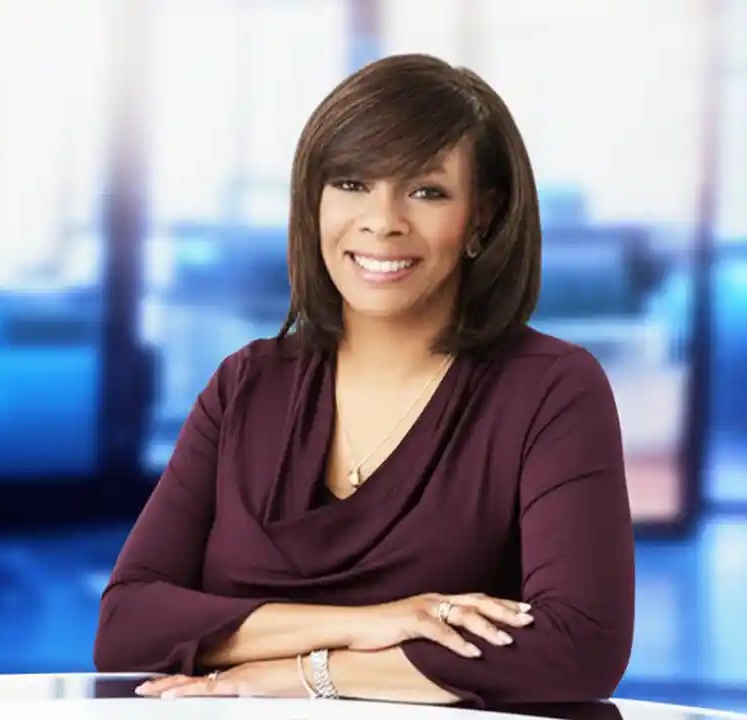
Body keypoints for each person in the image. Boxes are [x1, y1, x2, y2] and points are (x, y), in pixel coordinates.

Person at [93, 53, 634, 708]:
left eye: (427, 191)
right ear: (314, 202)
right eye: (351, 184)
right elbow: (127, 626)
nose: (382, 221)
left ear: (482, 217)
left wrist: (304, 674)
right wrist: (377, 622)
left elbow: (578, 648)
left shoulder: (551, 389)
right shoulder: (246, 384)